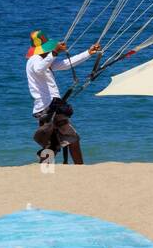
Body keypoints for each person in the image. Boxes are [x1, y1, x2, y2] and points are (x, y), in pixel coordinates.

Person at [26, 30, 101, 164]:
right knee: (72, 138)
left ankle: (44, 171)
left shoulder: (44, 59)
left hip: (48, 107)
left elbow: (66, 64)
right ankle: (80, 168)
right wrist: (54, 52)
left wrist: (88, 53)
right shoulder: (35, 60)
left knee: (51, 144)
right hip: (49, 108)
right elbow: (38, 69)